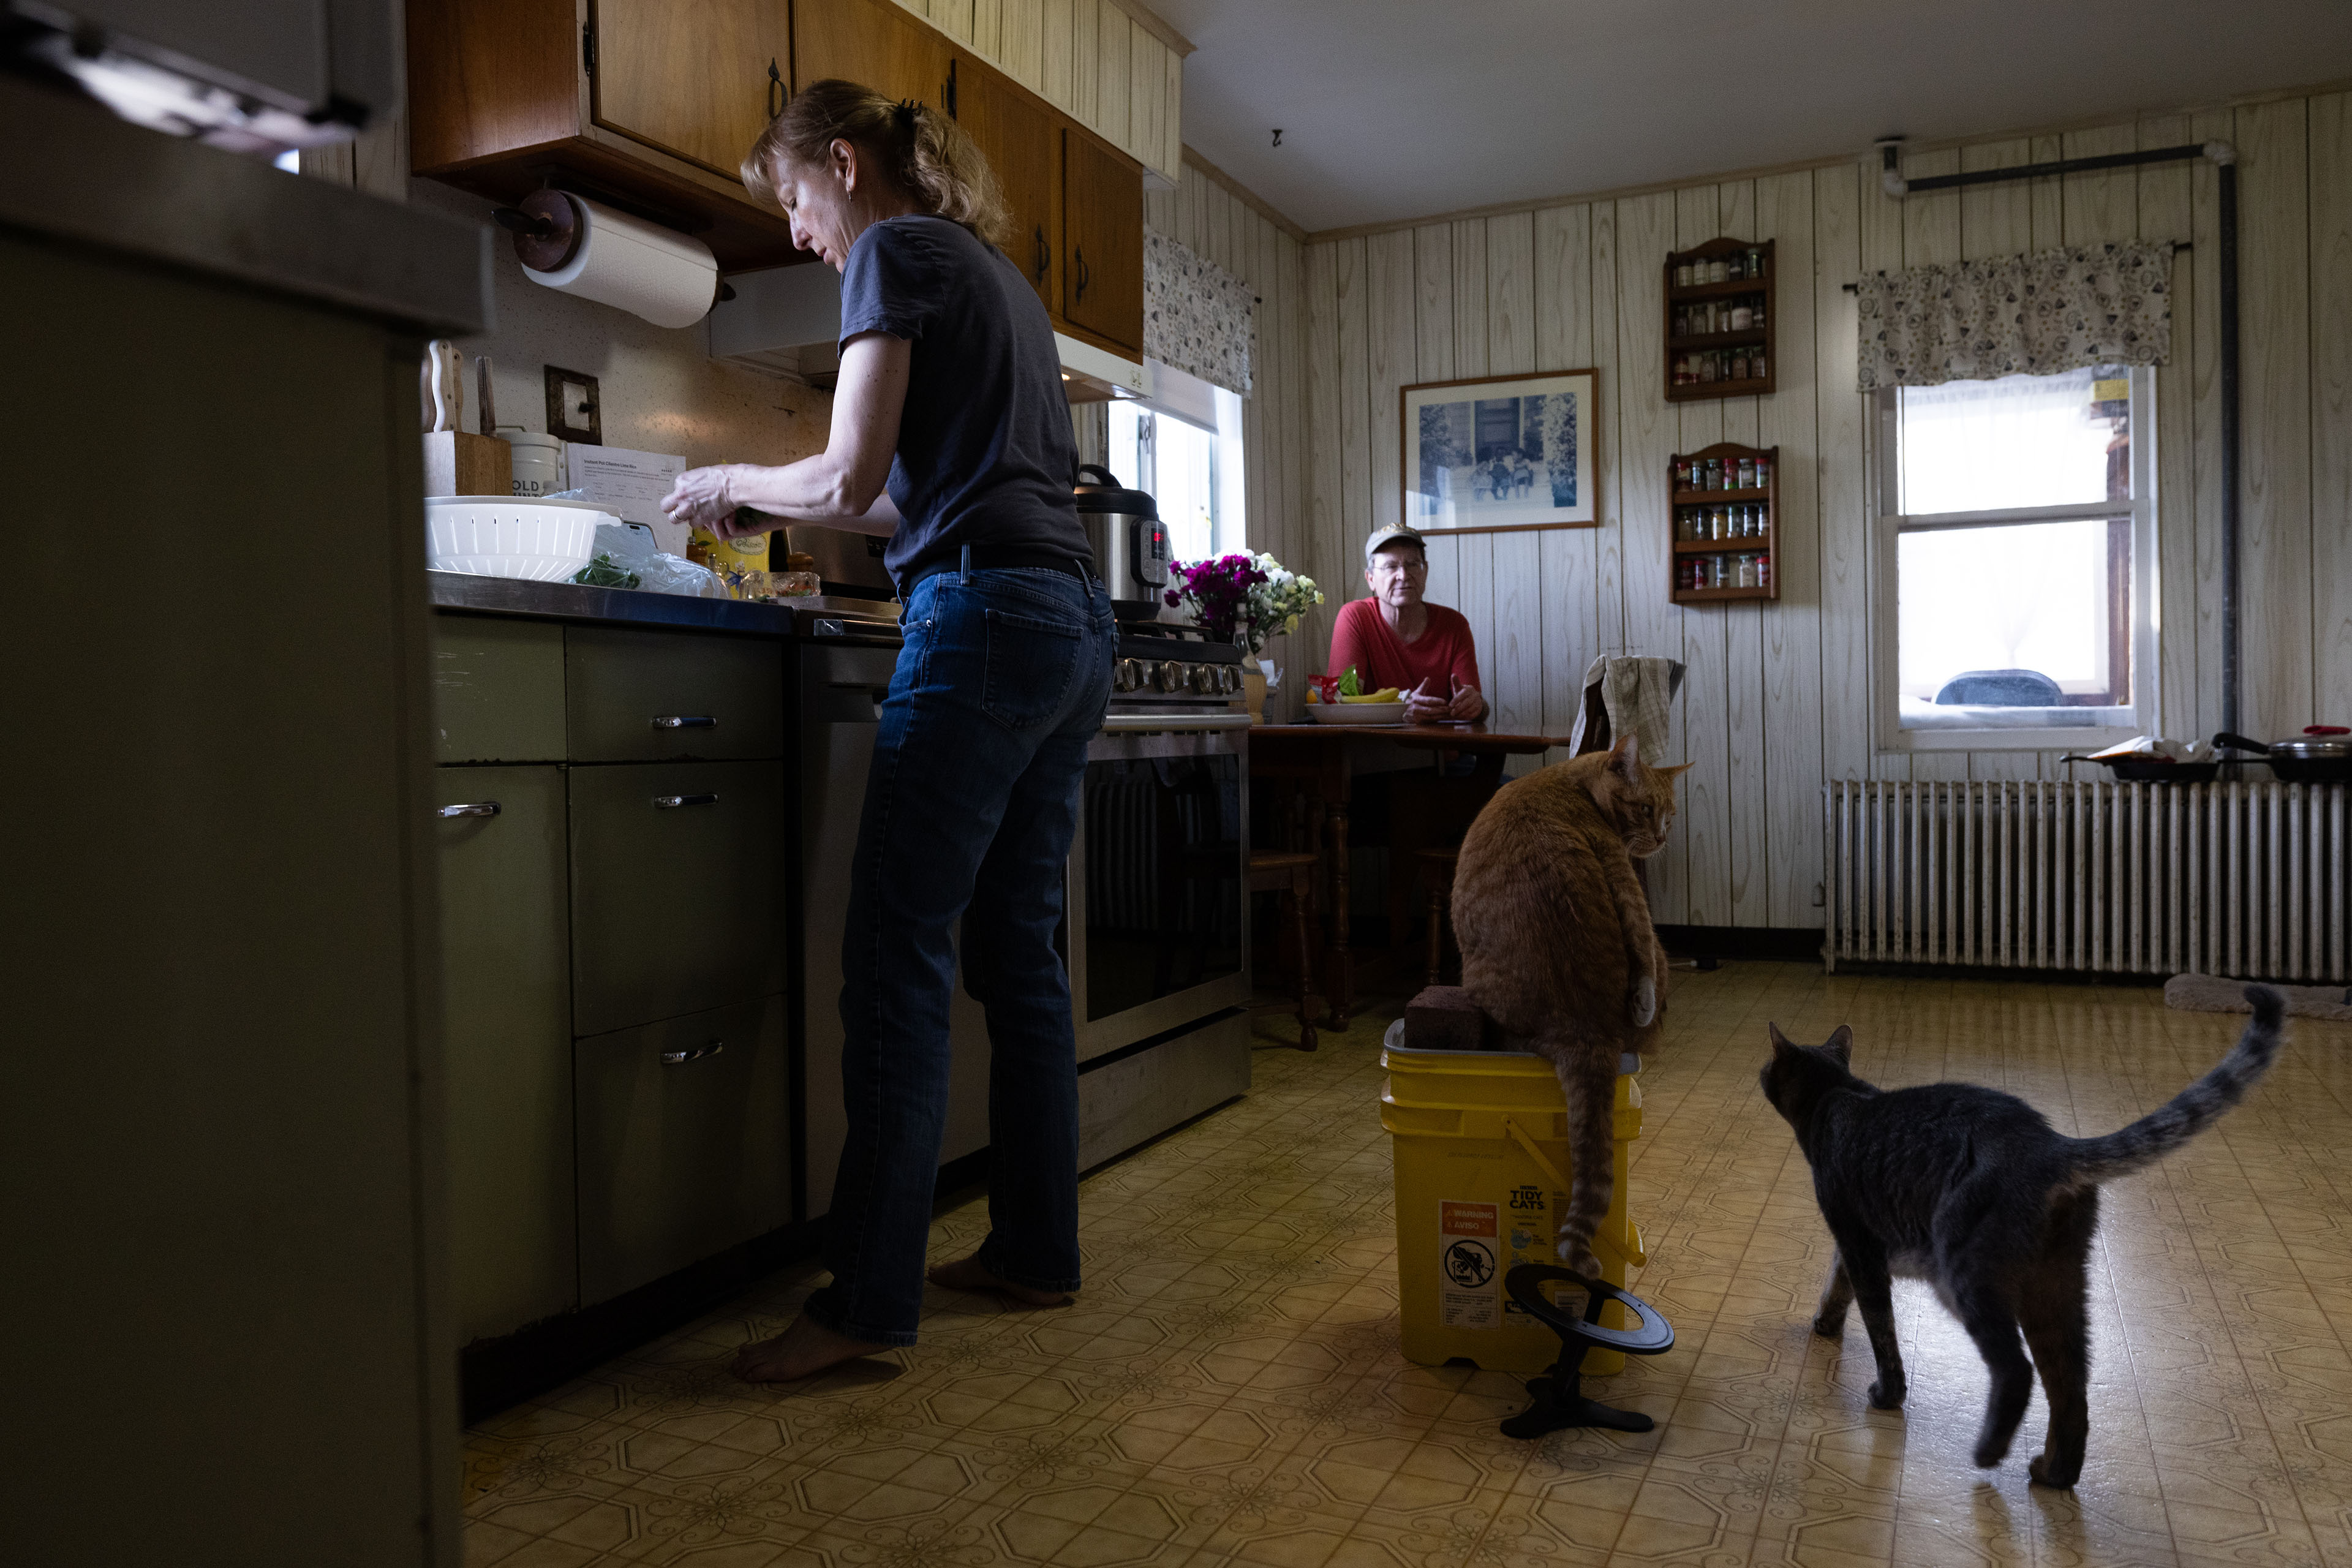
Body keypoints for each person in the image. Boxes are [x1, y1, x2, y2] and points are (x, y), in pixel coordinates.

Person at [657, 80, 1116, 1383]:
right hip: (1066, 620)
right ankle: (1037, 1246)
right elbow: (902, 490)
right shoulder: (1000, 278)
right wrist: (780, 501)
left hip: (981, 617)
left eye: (797, 201)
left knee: (895, 950)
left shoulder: (895, 250)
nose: (801, 232)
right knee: (1016, 953)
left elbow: (848, 477)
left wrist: (724, 479)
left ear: (844, 167)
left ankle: (863, 1303)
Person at [1327, 525, 1487, 724]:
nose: (1403, 575)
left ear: (1425, 571)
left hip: (1440, 749)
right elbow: (1340, 703)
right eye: (1391, 566)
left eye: (1412, 564)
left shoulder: (1454, 625)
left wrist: (1477, 705)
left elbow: (1476, 709)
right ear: (1371, 579)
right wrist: (1401, 711)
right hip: (1373, 749)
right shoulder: (1355, 617)